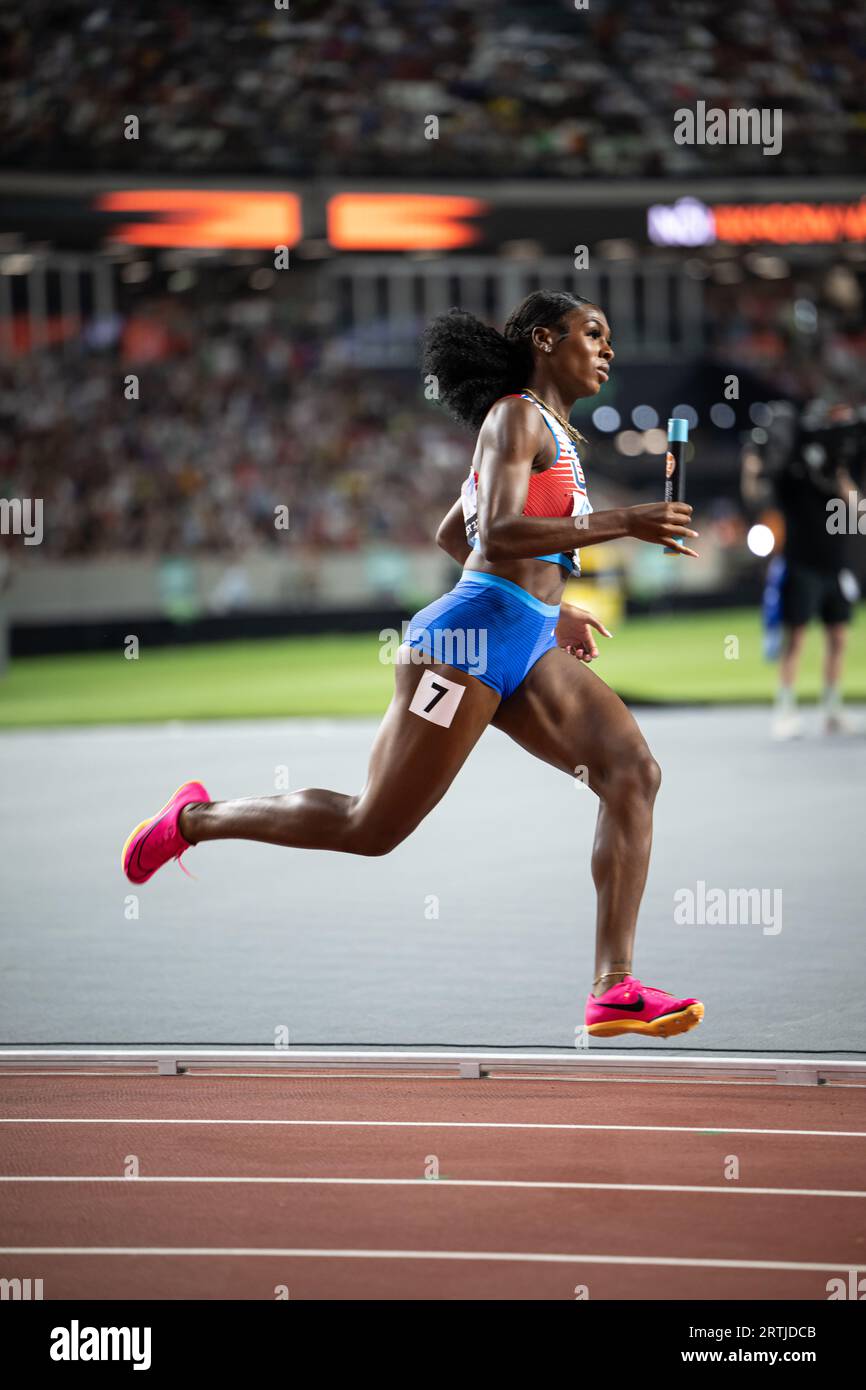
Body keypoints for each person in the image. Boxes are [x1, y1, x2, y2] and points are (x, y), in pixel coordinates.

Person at [122, 291, 704, 1039]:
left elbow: (450, 532)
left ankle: (613, 988)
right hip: (461, 647)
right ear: (544, 339)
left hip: (521, 639)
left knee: (632, 772)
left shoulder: (553, 432)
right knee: (372, 826)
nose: (608, 349)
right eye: (593, 334)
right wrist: (626, 522)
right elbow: (492, 531)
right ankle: (193, 819)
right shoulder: (516, 417)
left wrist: (550, 610)